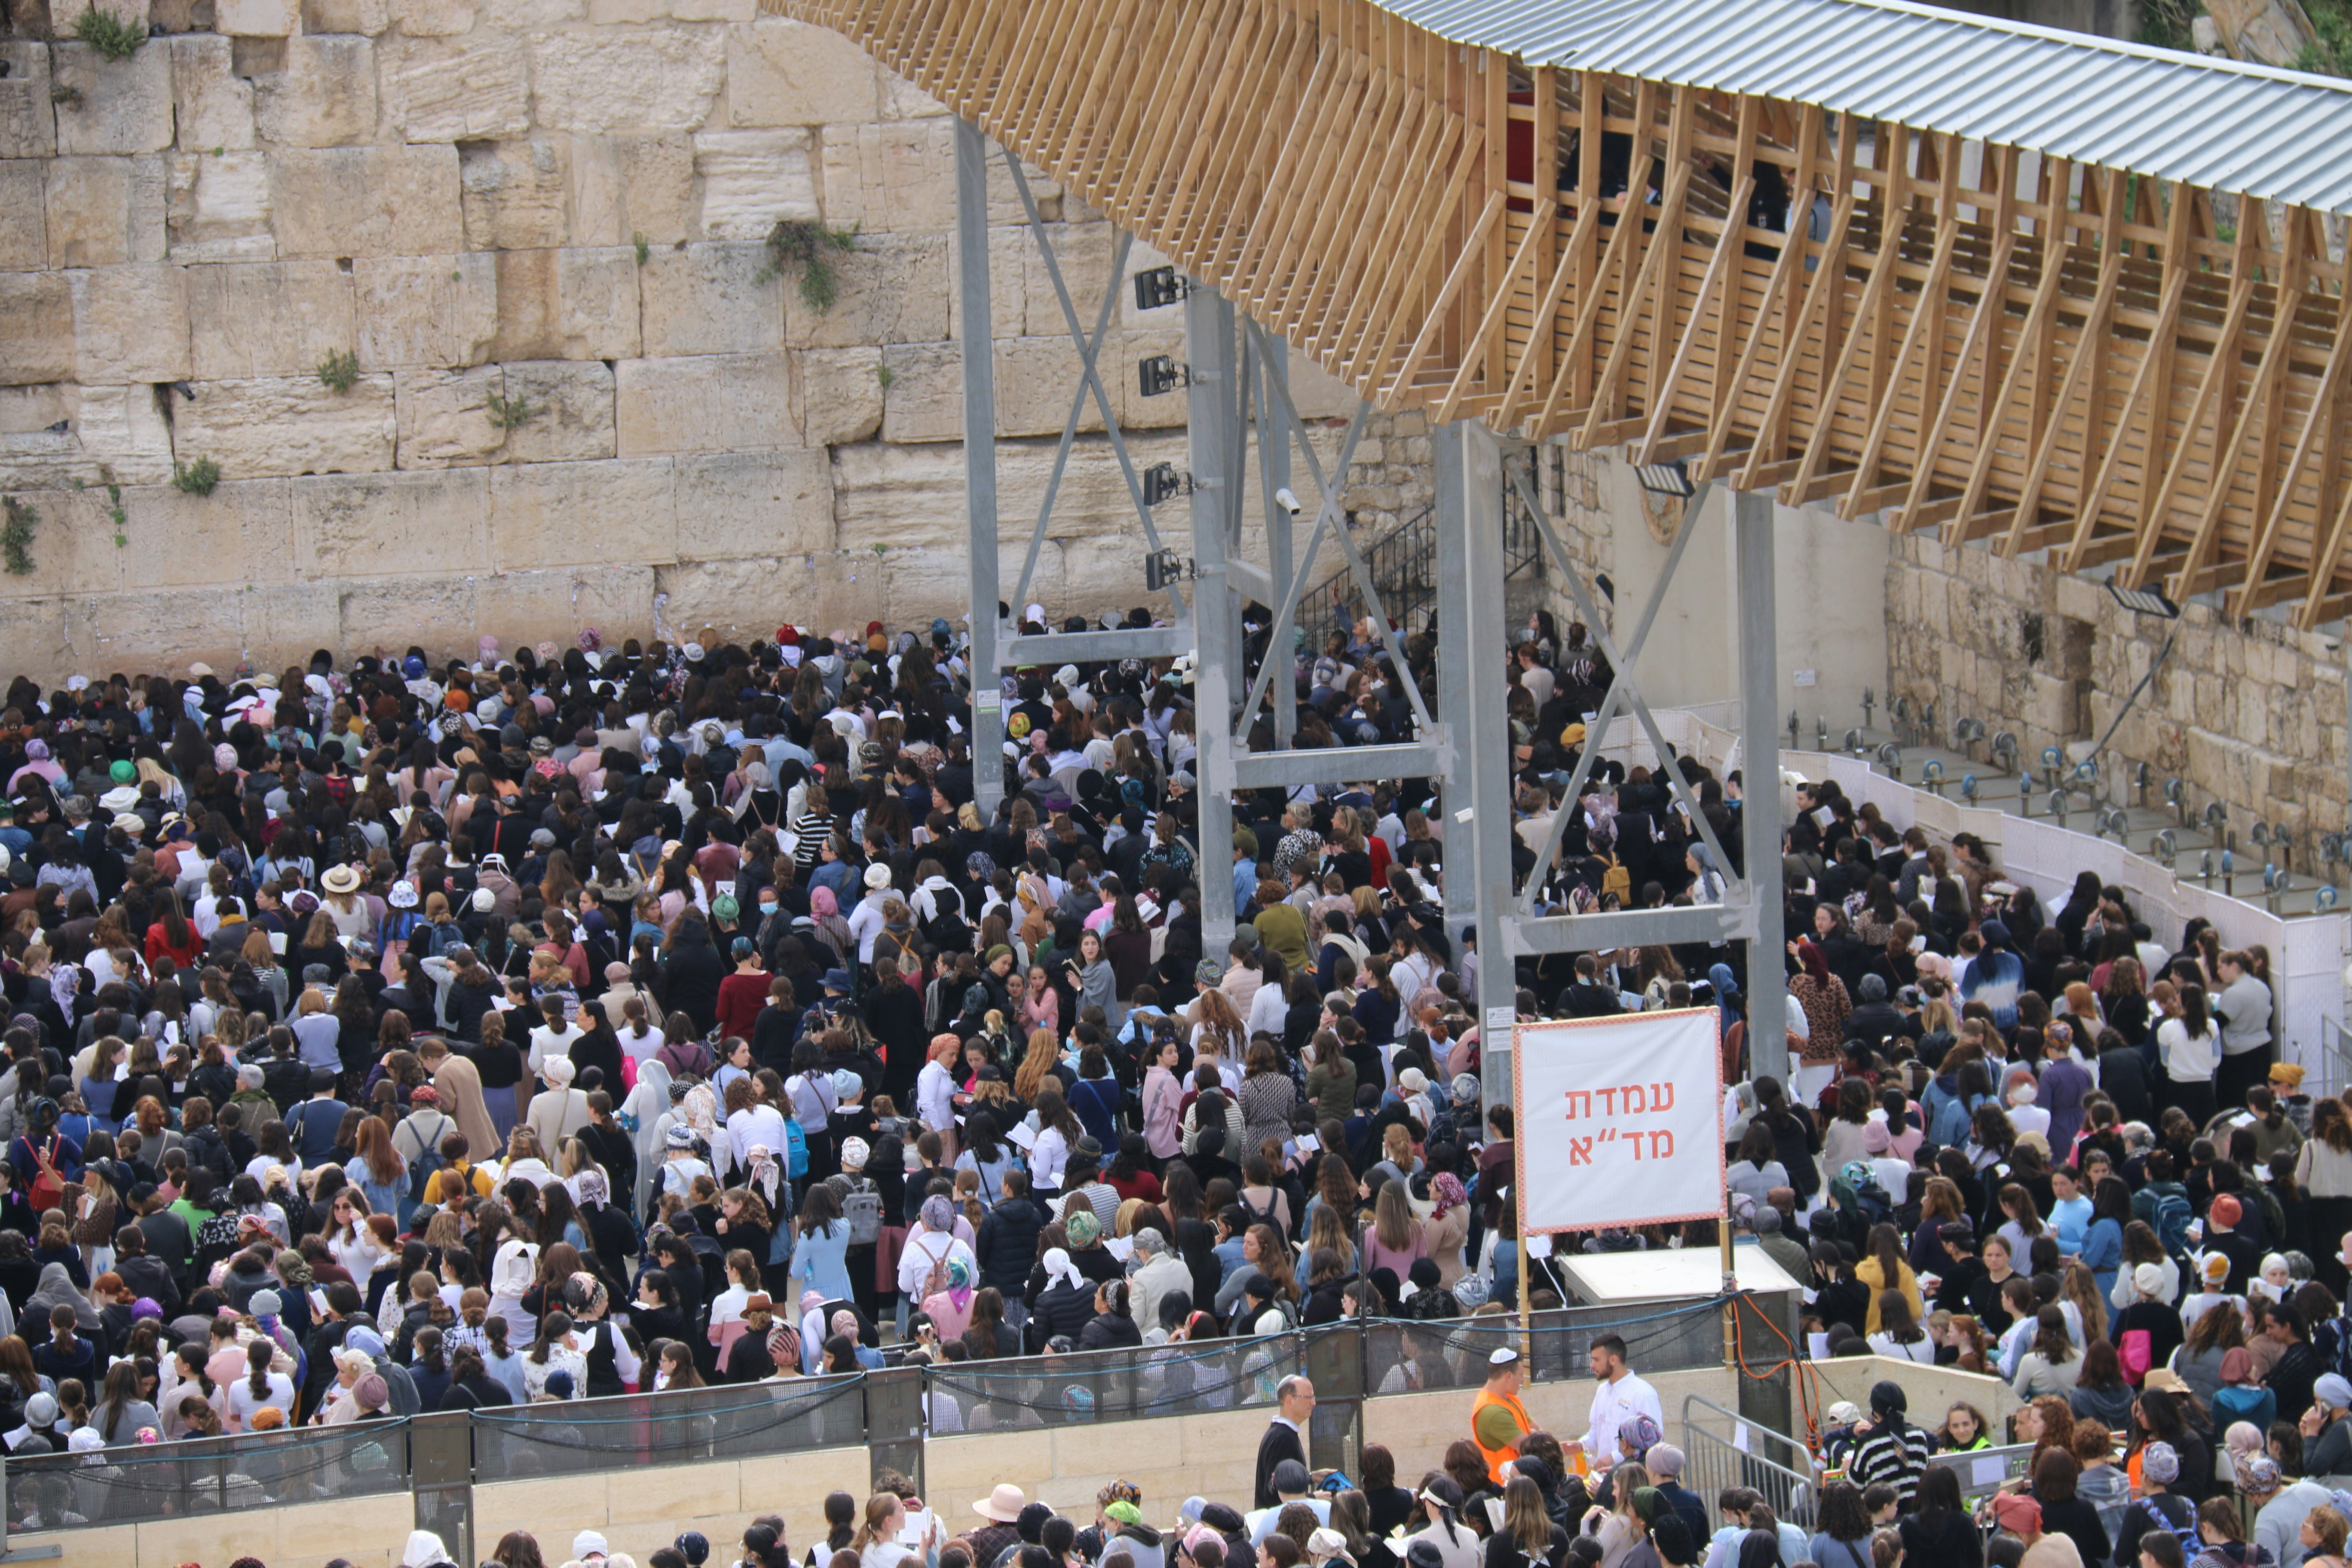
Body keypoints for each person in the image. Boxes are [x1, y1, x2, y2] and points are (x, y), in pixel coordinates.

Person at [1577, 1334, 1662, 1474]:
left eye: (1596, 1360)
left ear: (1613, 1360)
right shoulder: (1602, 1391)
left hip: (1632, 1479)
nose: (1592, 1365)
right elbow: (1595, 1432)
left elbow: (1654, 1440)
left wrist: (1614, 1457)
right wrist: (1580, 1445)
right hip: (1605, 1479)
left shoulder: (1643, 1393)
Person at [1473, 1348, 1535, 1485]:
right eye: (1521, 1375)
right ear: (1508, 1376)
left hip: (1521, 1487)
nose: (1523, 1380)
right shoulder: (1491, 1411)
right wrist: (1533, 1436)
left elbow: (1538, 1432)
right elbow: (1533, 1448)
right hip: (1504, 1491)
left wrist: (1534, 1436)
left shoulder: (1511, 1399)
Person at [1256, 1375, 1314, 1509]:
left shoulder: (1281, 1434)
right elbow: (1273, 1492)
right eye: (1308, 1398)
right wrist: (1313, 1499)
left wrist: (1310, 1477)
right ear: (1289, 1401)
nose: (1313, 1403)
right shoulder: (1283, 1439)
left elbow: (1285, 1479)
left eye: (1313, 1398)